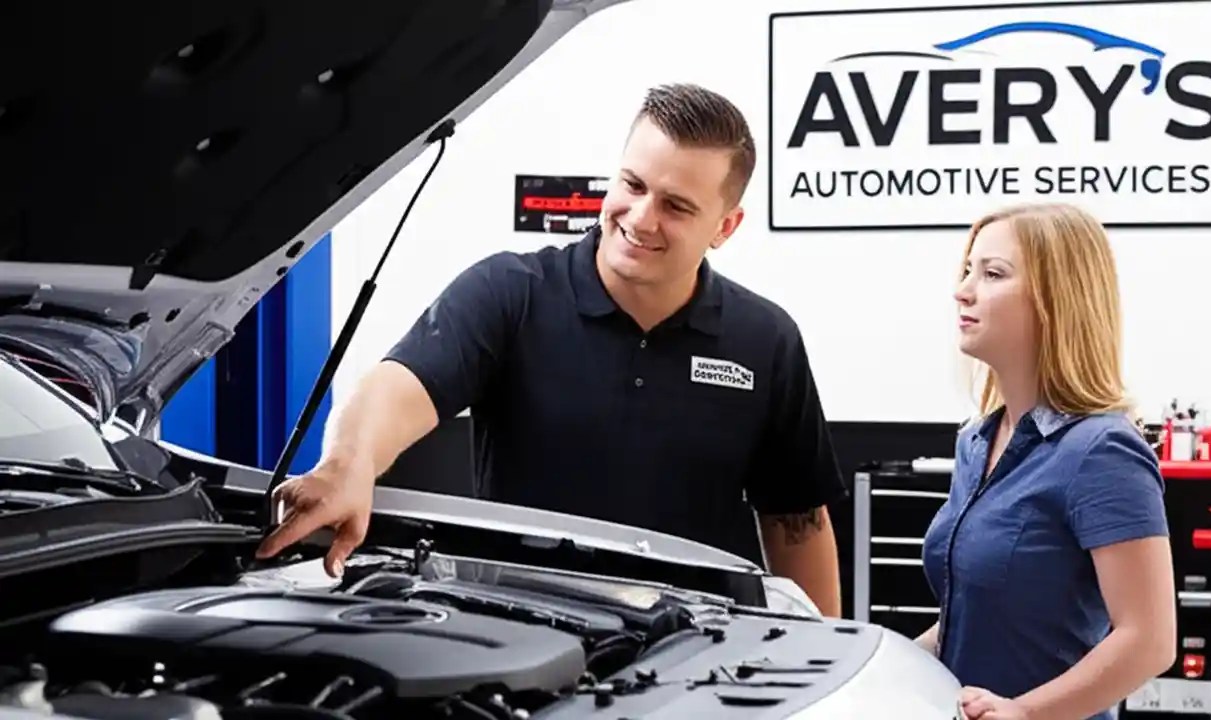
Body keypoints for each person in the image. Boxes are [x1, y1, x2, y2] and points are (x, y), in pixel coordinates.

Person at [254, 83, 847, 617]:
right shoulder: (510, 294)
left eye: (676, 205)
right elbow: (398, 386)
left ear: (726, 226)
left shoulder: (765, 340)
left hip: (702, 660)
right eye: (632, 185)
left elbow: (796, 524)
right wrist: (347, 466)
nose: (640, 218)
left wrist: (830, 663)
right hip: (521, 643)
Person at [916, 203, 1177, 720]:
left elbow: (1150, 640)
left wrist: (1025, 713)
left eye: (992, 274)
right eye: (968, 270)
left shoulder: (1102, 451)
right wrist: (878, 662)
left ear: (1056, 300)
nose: (963, 290)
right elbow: (969, 620)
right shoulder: (976, 443)